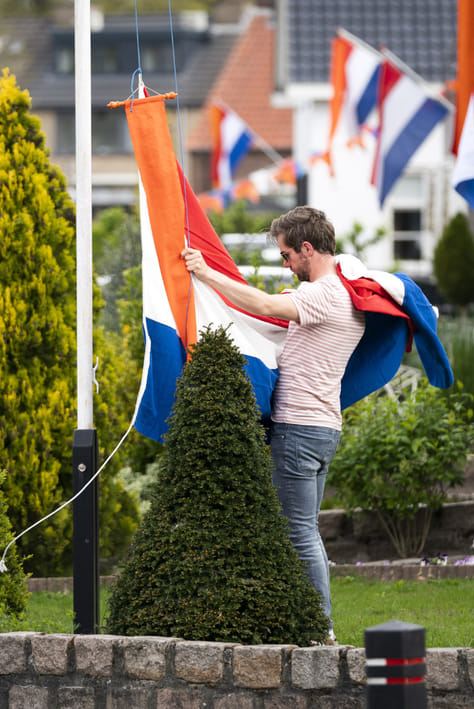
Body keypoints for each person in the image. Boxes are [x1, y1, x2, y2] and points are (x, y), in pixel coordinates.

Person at [182, 206, 364, 642]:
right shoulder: (344, 288)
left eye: (286, 256)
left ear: (307, 248)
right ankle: (307, 621)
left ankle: (321, 629)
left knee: (298, 532)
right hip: (322, 428)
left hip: (300, 430)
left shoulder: (324, 294)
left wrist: (205, 273)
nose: (285, 264)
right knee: (304, 528)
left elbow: (263, 304)